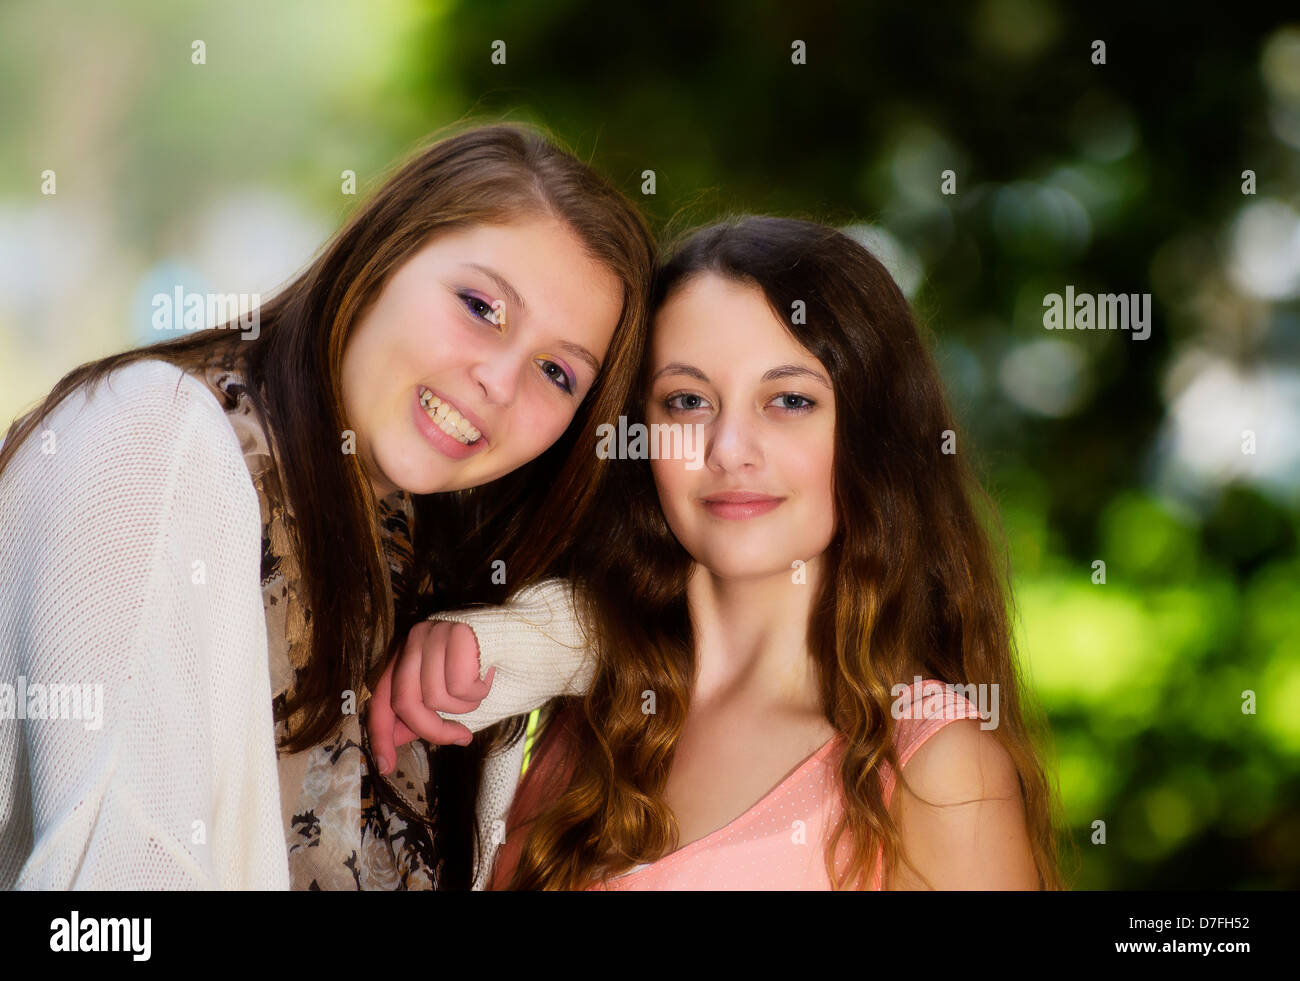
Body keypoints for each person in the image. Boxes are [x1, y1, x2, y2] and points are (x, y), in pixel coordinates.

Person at [0, 121, 655, 890]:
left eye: (556, 370)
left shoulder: (436, 543)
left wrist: (529, 638)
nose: (501, 382)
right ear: (380, 258)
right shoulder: (155, 439)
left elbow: (712, 602)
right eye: (481, 306)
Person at [369, 215, 1065, 890]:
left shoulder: (937, 769)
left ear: (873, 435)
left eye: (789, 399)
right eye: (687, 401)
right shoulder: (585, 717)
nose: (730, 449)